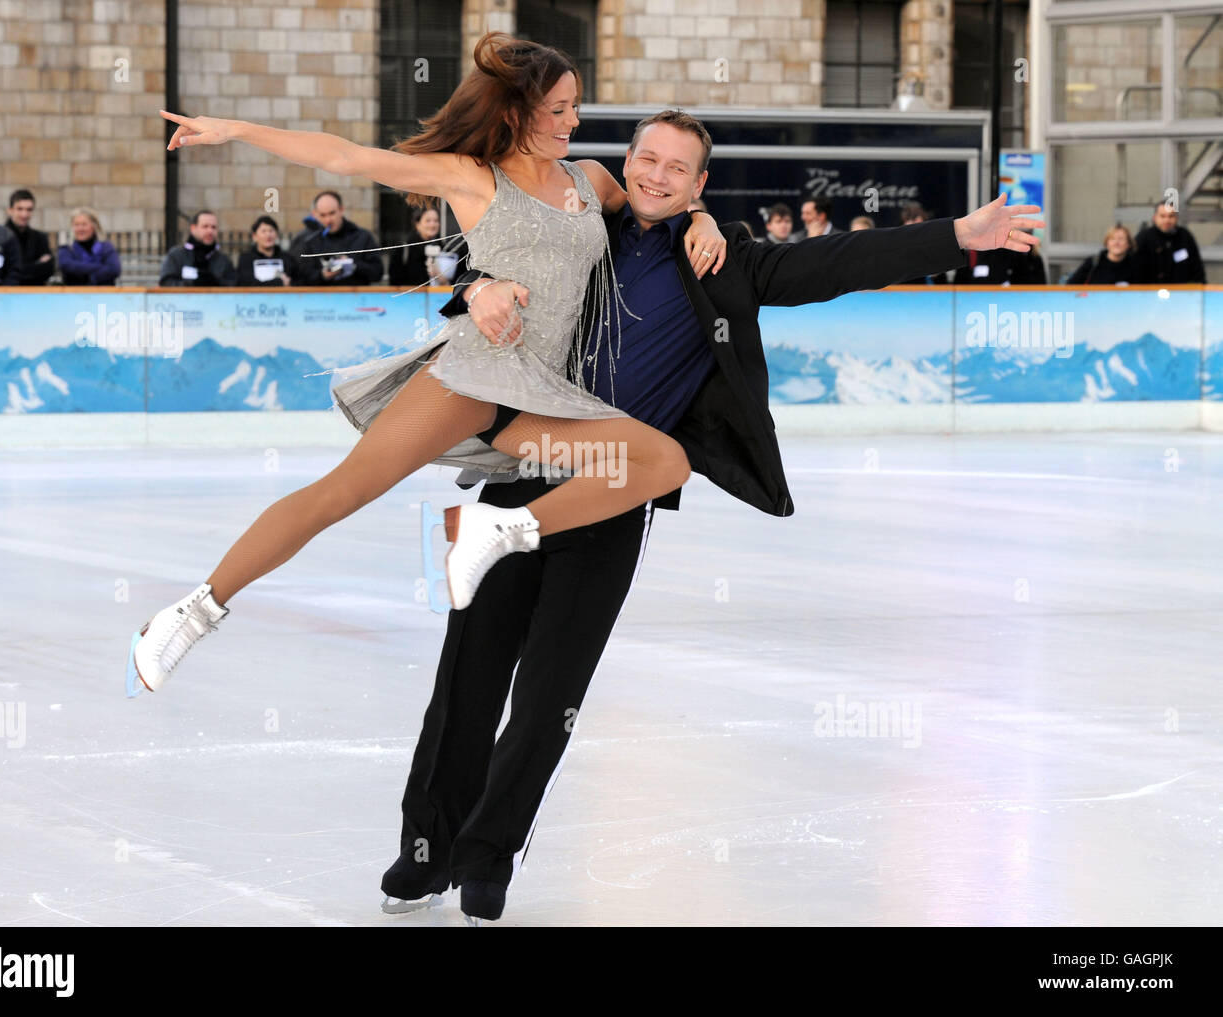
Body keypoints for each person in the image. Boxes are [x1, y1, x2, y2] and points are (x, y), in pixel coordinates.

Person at [379, 110, 1045, 923]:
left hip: (613, 497)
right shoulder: (576, 229)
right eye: (647, 159)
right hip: (521, 471)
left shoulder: (724, 264)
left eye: (678, 169)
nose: (658, 175)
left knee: (551, 688)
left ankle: (486, 858)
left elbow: (835, 261)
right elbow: (477, 275)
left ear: (701, 184)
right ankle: (426, 847)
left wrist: (957, 235)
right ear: (627, 165)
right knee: (469, 676)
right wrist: (473, 289)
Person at [126, 36, 730, 920]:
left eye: (575, 108)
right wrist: (235, 130)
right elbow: (344, 157)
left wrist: (706, 221)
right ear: (519, 110)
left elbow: (659, 214)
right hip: (471, 377)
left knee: (659, 459)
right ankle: (193, 609)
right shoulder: (471, 174)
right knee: (342, 490)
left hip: (541, 396)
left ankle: (501, 529)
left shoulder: (593, 181)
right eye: (558, 108)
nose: (572, 121)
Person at [294, 191, 385, 286]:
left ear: (341, 210)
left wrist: (353, 265)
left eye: (332, 213)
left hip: (356, 297)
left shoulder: (363, 237)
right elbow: (301, 278)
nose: (328, 220)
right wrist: (322, 275)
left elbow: (377, 273)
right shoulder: (310, 242)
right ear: (315, 215)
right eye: (323, 215)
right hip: (323, 298)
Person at [386, 205, 468, 287]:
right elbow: (394, 282)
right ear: (417, 224)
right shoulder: (403, 250)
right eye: (428, 221)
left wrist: (441, 278)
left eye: (436, 221)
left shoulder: (447, 250)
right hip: (411, 298)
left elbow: (458, 281)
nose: (432, 225)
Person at [1133, 202, 1206, 284]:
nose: (1167, 220)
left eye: (1171, 216)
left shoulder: (1185, 236)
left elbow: (1197, 267)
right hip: (1149, 291)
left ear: (1176, 218)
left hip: (1180, 291)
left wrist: (1200, 287)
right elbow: (1134, 267)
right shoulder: (1144, 237)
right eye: (1162, 216)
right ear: (1154, 217)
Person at [159, 210, 236, 286]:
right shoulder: (177, 255)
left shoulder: (223, 260)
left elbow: (234, 285)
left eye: (214, 227)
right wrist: (192, 284)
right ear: (193, 228)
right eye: (205, 226)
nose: (210, 231)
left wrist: (215, 283)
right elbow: (166, 283)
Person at [953, 228, 1046, 285]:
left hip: (1004, 301)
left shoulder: (1009, 253)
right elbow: (959, 283)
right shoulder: (971, 254)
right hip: (973, 302)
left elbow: (1019, 278)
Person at [57, 207, 122, 286]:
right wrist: (99, 267)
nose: (80, 229)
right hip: (74, 293)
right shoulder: (67, 248)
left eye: (84, 224)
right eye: (76, 225)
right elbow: (66, 266)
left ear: (94, 226)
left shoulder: (106, 247)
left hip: (103, 294)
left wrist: (82, 272)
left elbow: (114, 269)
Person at [5, 189, 55, 286]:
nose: (24, 214)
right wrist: (37, 265)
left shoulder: (40, 238)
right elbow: (2, 273)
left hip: (35, 296)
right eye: (20, 209)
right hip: (6, 295)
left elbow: (48, 270)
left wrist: (18, 269)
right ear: (10, 210)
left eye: (29, 209)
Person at [234, 214, 301, 286]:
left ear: (276, 234)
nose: (268, 235)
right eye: (264, 231)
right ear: (255, 236)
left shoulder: (287, 259)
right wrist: (279, 283)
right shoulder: (246, 259)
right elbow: (248, 284)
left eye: (271, 231)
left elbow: (299, 281)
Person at [1068, 225, 1137, 285]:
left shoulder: (1135, 265)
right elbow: (1070, 286)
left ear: (1129, 244)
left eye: (1121, 239)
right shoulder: (1093, 262)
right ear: (1107, 243)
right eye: (1112, 239)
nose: (1116, 243)